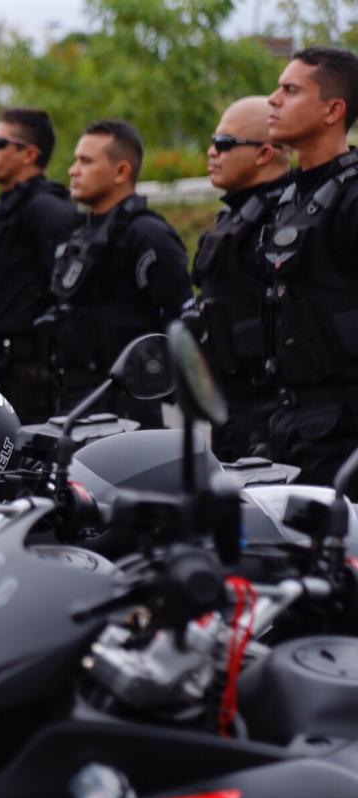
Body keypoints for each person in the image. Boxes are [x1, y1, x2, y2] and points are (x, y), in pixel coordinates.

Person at [50, 119, 191, 428]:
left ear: (121, 172)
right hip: (76, 398)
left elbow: (182, 318)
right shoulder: (80, 234)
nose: (73, 170)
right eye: (75, 160)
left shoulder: (148, 233)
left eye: (86, 161)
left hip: (125, 408)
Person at [260, 46, 358, 486]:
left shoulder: (352, 197)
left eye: (290, 90)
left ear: (333, 110)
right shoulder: (290, 198)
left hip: (345, 434)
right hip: (290, 421)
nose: (273, 100)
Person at [0, 107, 78, 424]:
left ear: (29, 154)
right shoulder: (7, 208)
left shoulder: (47, 209)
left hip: (30, 377)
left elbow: (70, 291)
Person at [192, 97, 291, 461]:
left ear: (265, 154)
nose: (212, 152)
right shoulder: (235, 217)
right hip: (232, 410)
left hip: (272, 415)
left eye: (225, 143)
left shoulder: (285, 221)